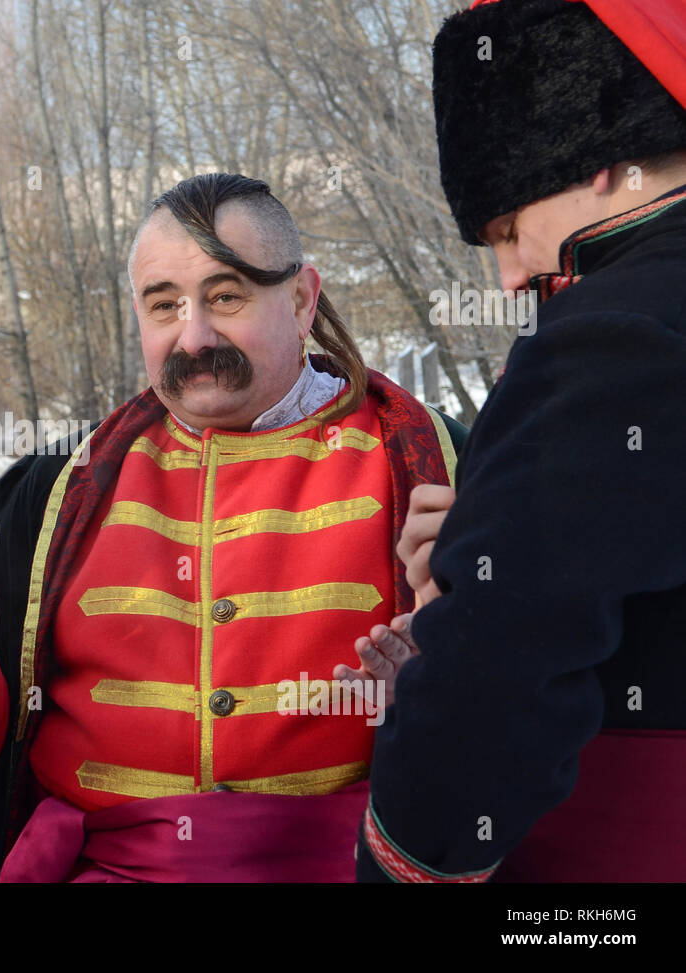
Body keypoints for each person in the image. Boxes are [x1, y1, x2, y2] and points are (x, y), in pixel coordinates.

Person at [0, 173, 466, 882]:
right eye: (165, 306)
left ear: (302, 298)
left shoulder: (440, 469)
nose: (194, 335)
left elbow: (530, 732)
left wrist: (450, 689)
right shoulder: (49, 497)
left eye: (226, 296)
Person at [358, 0, 686, 882]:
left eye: (506, 228)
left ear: (600, 160)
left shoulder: (609, 336)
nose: (508, 274)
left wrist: (407, 852)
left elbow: (492, 685)